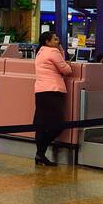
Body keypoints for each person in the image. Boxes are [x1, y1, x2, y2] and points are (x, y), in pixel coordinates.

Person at [32, 30, 72, 167]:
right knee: (58, 125)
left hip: (41, 91)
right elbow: (67, 70)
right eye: (55, 39)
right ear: (47, 42)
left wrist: (59, 48)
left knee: (41, 125)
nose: (58, 41)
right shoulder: (53, 52)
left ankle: (40, 154)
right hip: (53, 91)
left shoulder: (40, 52)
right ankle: (41, 152)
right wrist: (60, 50)